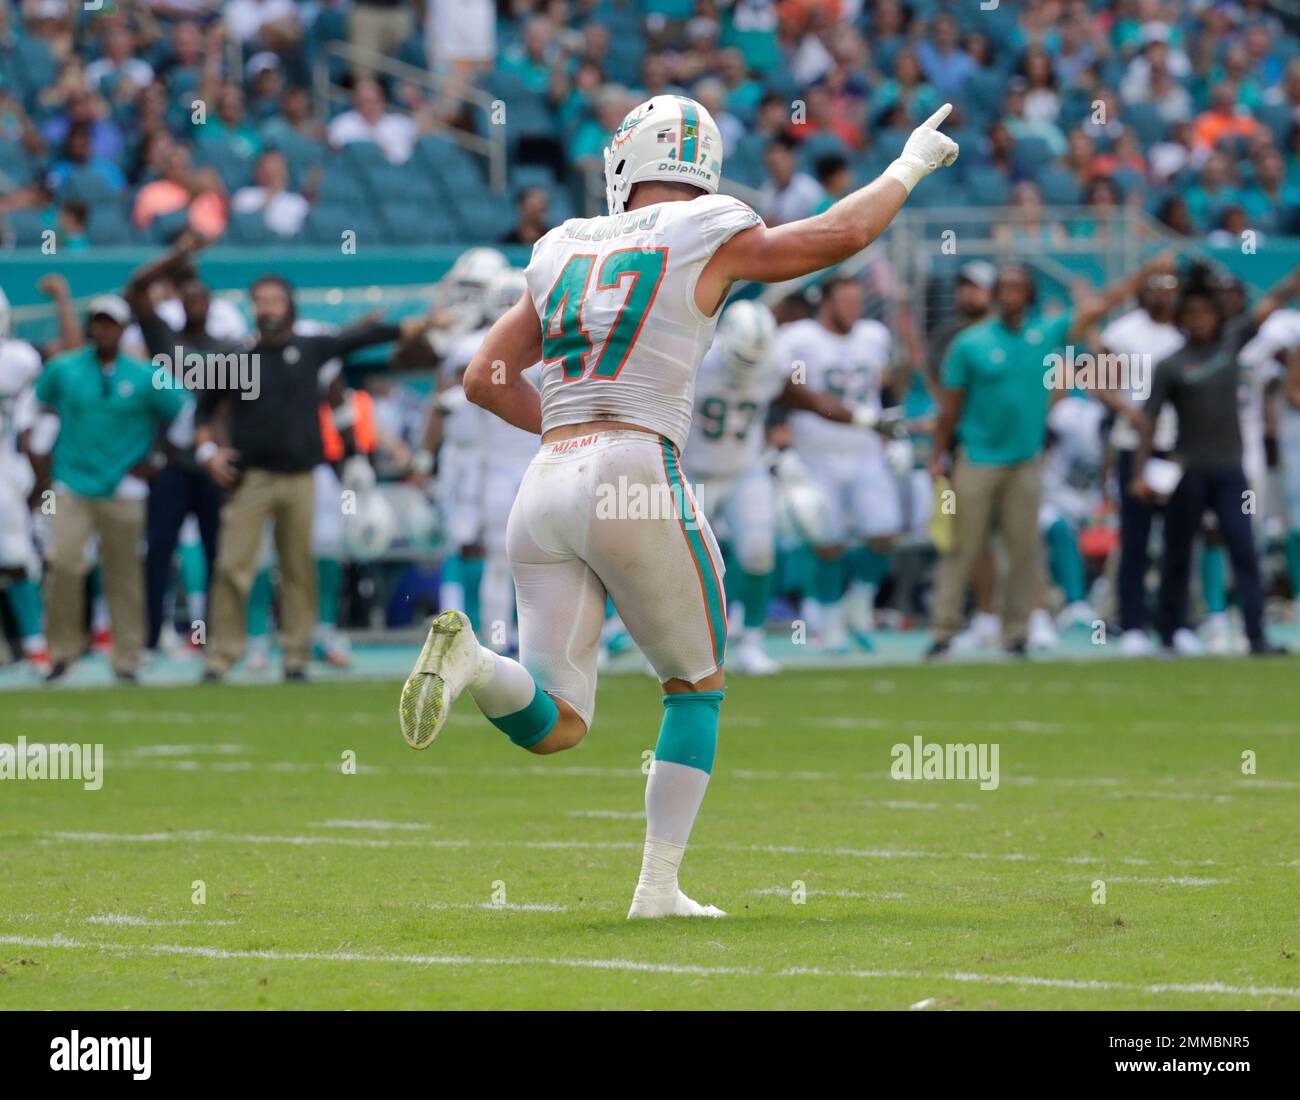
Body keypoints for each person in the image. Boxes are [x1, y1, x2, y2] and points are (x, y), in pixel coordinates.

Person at [398, 96, 959, 918]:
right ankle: (657, 891)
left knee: (560, 724)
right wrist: (908, 164)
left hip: (547, 476)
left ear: (625, 160)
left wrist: (562, 423)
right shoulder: (706, 226)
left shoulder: (563, 243)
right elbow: (838, 236)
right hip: (635, 466)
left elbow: (483, 379)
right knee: (694, 688)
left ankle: (476, 664)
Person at [195, 278, 434, 681]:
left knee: (298, 568)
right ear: (253, 307)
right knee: (234, 565)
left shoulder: (310, 350)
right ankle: (222, 656)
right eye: (261, 301)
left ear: (290, 307)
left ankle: (295, 655)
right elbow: (203, 411)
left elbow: (361, 337)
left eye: (276, 301)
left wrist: (423, 323)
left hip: (301, 477)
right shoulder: (236, 356)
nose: (269, 308)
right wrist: (209, 453)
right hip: (250, 477)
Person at [926, 260, 1160, 658]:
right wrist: (938, 456)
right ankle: (944, 629)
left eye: (1019, 287)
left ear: (1030, 295)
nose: (1012, 294)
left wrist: (1143, 274)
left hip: (1025, 459)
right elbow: (950, 407)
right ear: (996, 295)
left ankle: (1015, 632)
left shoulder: (1044, 333)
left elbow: (1097, 308)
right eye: (1006, 286)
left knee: (1024, 548)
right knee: (964, 546)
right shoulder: (971, 343)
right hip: (977, 456)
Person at [1132, 269, 1300, 657]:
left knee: (1243, 546)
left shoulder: (1231, 343)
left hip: (1229, 469)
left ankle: (1256, 635)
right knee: (1178, 552)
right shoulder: (1171, 364)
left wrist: (1293, 279)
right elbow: (1149, 420)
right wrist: (1141, 471)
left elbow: (1271, 303)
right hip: (1188, 470)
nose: (1199, 321)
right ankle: (1169, 635)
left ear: (1216, 317)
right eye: (1191, 315)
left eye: (1205, 314)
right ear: (1182, 319)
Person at [36, 295, 192, 682]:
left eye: (111, 323)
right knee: (66, 564)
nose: (103, 329)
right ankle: (63, 652)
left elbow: (184, 413)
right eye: (97, 322)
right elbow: (37, 408)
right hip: (72, 481)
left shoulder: (144, 374)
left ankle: (126, 656)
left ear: (123, 330)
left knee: (123, 573)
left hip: (123, 486)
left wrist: (155, 460)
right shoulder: (64, 369)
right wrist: (41, 463)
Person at [1093, 262, 1184, 656]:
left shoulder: (1187, 330)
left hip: (1179, 444)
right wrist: (1130, 411)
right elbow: (1098, 380)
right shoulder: (1124, 331)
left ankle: (1174, 624)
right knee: (1135, 538)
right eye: (1154, 287)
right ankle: (1131, 622)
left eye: (1168, 288)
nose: (1161, 295)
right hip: (1134, 442)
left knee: (1180, 537)